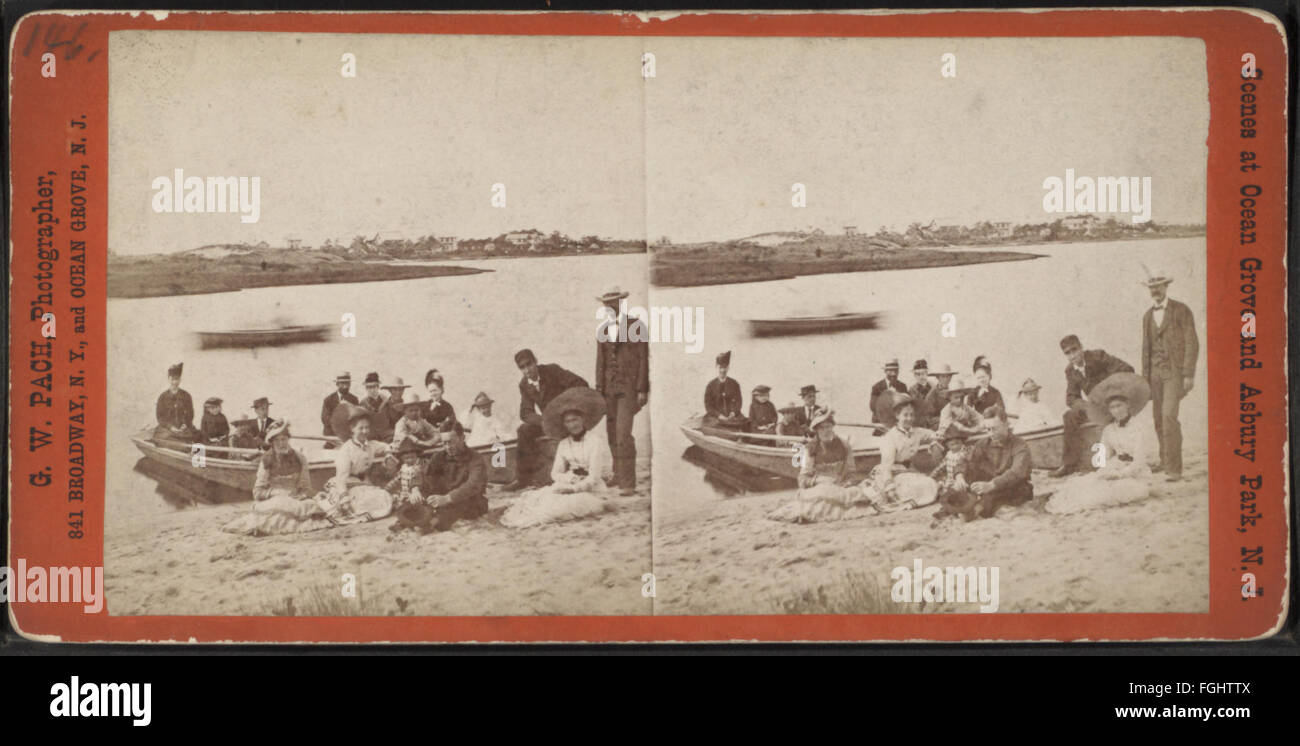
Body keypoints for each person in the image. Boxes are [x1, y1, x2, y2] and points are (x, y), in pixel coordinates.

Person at [502, 388, 612, 528]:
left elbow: (594, 477)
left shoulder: (595, 441)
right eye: (568, 421)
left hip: (592, 489)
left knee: (556, 510)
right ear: (564, 424)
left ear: (583, 419)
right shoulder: (564, 444)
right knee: (539, 500)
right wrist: (569, 479)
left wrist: (574, 488)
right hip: (569, 483)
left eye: (575, 419)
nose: (573, 425)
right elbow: (555, 473)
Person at [1047, 377, 1155, 514]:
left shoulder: (1140, 427)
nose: (1116, 411)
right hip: (1115, 467)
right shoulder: (1109, 429)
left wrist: (1119, 474)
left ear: (1127, 405)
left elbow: (1139, 461)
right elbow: (1103, 457)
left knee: (1111, 492)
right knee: (1088, 484)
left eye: (1119, 406)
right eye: (1112, 408)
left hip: (1135, 473)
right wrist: (1105, 470)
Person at [221, 420, 333, 535]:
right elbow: (257, 492)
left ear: (288, 439)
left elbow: (305, 487)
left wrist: (304, 495)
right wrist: (276, 492)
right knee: (278, 506)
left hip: (295, 499)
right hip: (274, 500)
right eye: (277, 440)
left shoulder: (300, 459)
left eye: (283, 439)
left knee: (310, 506)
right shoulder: (267, 460)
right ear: (272, 443)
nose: (281, 443)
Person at [1140, 270, 1198, 482]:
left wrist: (1188, 373)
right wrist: (1144, 381)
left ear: (1166, 287)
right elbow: (1145, 350)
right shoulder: (1147, 316)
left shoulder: (1181, 310)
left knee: (1168, 416)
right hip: (1154, 375)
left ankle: (1174, 468)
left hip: (1174, 373)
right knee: (1158, 418)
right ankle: (1165, 460)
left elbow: (1192, 341)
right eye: (1151, 287)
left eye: (1159, 286)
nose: (1155, 290)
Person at [767, 410, 872, 523]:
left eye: (828, 426)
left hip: (840, 486)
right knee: (822, 494)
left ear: (833, 427)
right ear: (816, 430)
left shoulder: (844, 446)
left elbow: (851, 472)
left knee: (856, 494)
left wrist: (847, 482)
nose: (826, 431)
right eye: (821, 428)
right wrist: (818, 480)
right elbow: (802, 479)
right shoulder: (811, 448)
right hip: (819, 488)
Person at [1054, 334, 1134, 477]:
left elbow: (1127, 369)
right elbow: (1071, 397)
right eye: (1068, 353)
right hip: (1093, 406)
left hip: (1111, 402)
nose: (1073, 355)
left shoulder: (1098, 356)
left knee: (1112, 419)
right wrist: (1085, 406)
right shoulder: (1070, 370)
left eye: (1075, 350)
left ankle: (1115, 458)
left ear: (1081, 348)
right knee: (1069, 415)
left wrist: (1110, 389)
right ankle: (1069, 464)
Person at [594, 286, 649, 495]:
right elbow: (600, 362)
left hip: (628, 390)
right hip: (608, 390)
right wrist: (598, 388)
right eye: (606, 304)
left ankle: (628, 483)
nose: (609, 307)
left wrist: (642, 389)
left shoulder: (636, 326)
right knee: (611, 433)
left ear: (621, 304)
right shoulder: (602, 330)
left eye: (613, 303)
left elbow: (644, 359)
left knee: (623, 435)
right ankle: (617, 473)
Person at [509, 348, 589, 490]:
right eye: (522, 367)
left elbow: (581, 383)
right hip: (547, 422)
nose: (527, 370)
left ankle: (573, 472)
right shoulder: (524, 384)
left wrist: (568, 406)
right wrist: (543, 421)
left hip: (566, 418)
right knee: (523, 430)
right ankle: (523, 479)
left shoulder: (552, 371)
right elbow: (525, 412)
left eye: (529, 364)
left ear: (535, 362)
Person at [860, 396, 942, 513]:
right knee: (923, 485)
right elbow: (886, 466)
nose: (909, 418)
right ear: (897, 416)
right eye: (905, 415)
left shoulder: (917, 432)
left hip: (908, 471)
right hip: (893, 473)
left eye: (912, 415)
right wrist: (890, 487)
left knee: (928, 483)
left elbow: (933, 434)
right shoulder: (890, 438)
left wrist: (934, 441)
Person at [317, 403, 395, 525]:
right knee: (360, 503)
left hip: (364, 483)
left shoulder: (371, 445)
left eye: (367, 428)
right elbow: (341, 478)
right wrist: (344, 499)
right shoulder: (346, 450)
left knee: (383, 496)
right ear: (352, 429)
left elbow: (386, 446)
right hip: (347, 485)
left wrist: (388, 454)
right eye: (361, 428)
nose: (365, 431)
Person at [965, 405, 1034, 519]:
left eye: (995, 428)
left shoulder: (1020, 445)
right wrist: (959, 477)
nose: (991, 433)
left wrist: (991, 485)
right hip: (990, 485)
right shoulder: (983, 443)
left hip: (1016, 487)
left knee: (988, 501)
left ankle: (977, 510)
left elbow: (1017, 472)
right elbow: (968, 462)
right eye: (988, 429)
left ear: (1006, 424)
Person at [930, 427, 976, 523]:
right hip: (950, 479)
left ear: (962, 442)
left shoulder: (963, 453)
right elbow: (941, 466)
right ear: (947, 445)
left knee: (960, 494)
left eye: (958, 443)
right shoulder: (949, 455)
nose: (955, 446)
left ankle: (955, 511)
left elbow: (963, 464)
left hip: (962, 479)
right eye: (952, 444)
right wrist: (932, 476)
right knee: (944, 493)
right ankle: (946, 510)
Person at [154, 362, 199, 445]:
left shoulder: (186, 396)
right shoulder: (163, 397)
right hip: (168, 429)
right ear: (168, 379)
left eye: (177, 379)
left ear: (180, 379)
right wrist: (170, 427)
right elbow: (159, 417)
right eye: (172, 379)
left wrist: (185, 424)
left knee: (198, 436)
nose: (175, 382)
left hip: (183, 428)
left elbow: (190, 413)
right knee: (164, 438)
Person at [703, 350, 745, 429]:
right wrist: (719, 415)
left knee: (745, 423)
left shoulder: (734, 384)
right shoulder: (710, 385)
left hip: (732, 417)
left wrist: (733, 412)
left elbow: (739, 401)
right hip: (716, 418)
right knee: (712, 427)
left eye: (725, 367)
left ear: (728, 367)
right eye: (720, 367)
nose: (723, 370)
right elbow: (708, 405)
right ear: (716, 367)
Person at [869, 359, 909, 426]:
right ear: (885, 371)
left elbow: (906, 406)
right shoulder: (877, 387)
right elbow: (873, 406)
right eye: (890, 371)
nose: (893, 374)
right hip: (880, 421)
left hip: (897, 422)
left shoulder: (902, 386)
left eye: (895, 371)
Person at [320, 371, 359, 440]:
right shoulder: (328, 400)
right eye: (342, 383)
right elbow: (325, 419)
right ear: (337, 384)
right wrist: (340, 424)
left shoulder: (354, 400)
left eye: (347, 383)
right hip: (331, 436)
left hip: (348, 437)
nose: (345, 386)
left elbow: (357, 419)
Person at [374, 376, 410, 442]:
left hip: (408, 435)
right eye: (395, 390)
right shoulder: (385, 407)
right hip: (390, 438)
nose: (398, 392)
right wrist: (401, 432)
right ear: (390, 390)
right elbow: (384, 430)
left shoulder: (406, 405)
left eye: (400, 389)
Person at [922, 363, 958, 429]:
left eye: (948, 376)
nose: (946, 379)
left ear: (951, 377)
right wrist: (946, 419)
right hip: (938, 426)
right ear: (938, 377)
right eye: (943, 377)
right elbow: (929, 418)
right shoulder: (932, 395)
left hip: (955, 422)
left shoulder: (954, 391)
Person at [907, 359, 936, 427]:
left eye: (923, 373)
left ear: (927, 373)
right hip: (918, 423)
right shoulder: (911, 390)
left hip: (933, 422)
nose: (921, 377)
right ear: (914, 375)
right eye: (918, 374)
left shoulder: (934, 388)